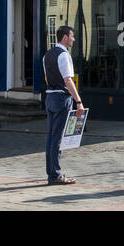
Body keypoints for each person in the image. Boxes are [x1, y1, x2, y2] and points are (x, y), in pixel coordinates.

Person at [42, 25, 84, 186]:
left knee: (51, 137)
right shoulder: (64, 55)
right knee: (57, 138)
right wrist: (78, 101)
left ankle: (51, 173)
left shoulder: (47, 55)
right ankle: (55, 175)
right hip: (61, 99)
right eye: (72, 36)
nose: (73, 39)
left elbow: (46, 78)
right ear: (65, 37)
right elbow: (68, 81)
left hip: (50, 98)